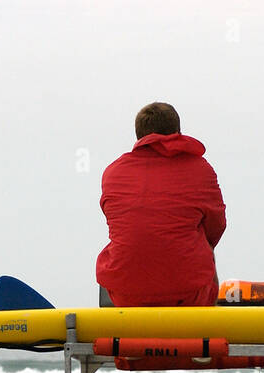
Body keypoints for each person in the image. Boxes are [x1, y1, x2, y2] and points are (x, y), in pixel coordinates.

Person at [96, 102, 227, 308]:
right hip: (188, 295)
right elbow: (215, 227)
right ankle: (203, 330)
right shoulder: (200, 169)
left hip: (126, 295)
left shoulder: (113, 172)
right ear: (178, 132)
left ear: (138, 136)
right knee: (203, 245)